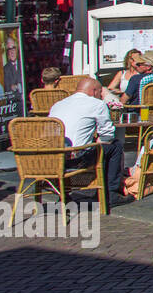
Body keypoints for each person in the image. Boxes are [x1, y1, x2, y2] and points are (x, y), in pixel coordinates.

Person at [49, 77, 129, 207]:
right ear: (94, 91)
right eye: (100, 94)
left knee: (101, 147)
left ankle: (65, 193)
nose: (100, 96)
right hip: (77, 158)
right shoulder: (96, 104)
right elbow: (108, 134)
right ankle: (111, 194)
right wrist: (98, 141)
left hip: (55, 157)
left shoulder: (58, 104)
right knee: (115, 146)